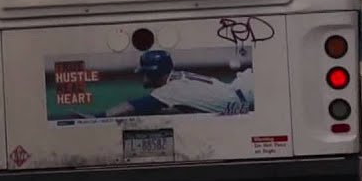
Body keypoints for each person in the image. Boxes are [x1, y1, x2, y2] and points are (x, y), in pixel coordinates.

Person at [102, 49, 254, 117]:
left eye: (145, 73)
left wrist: (98, 116)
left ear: (154, 73)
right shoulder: (177, 78)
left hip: (249, 93)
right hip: (243, 88)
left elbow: (130, 108)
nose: (143, 77)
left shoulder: (170, 90)